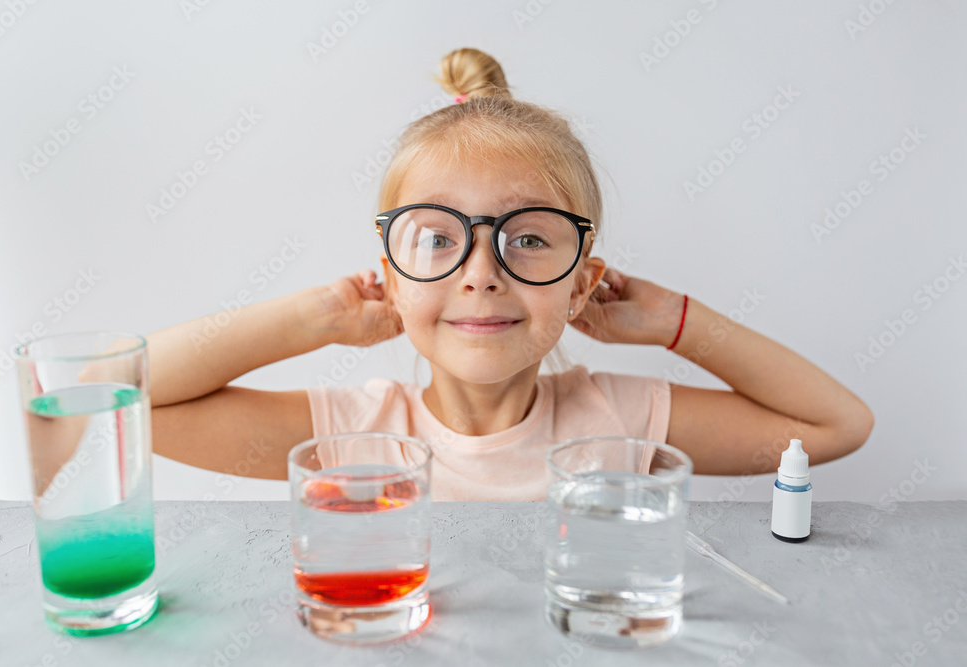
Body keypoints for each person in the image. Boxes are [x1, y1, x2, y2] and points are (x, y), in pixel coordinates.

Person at [147, 48, 873, 501]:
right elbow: (126, 399)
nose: (482, 272)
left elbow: (836, 425)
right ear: (392, 277)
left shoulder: (618, 422)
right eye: (436, 239)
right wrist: (316, 315)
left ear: (583, 282)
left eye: (527, 238)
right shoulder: (352, 435)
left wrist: (675, 320)